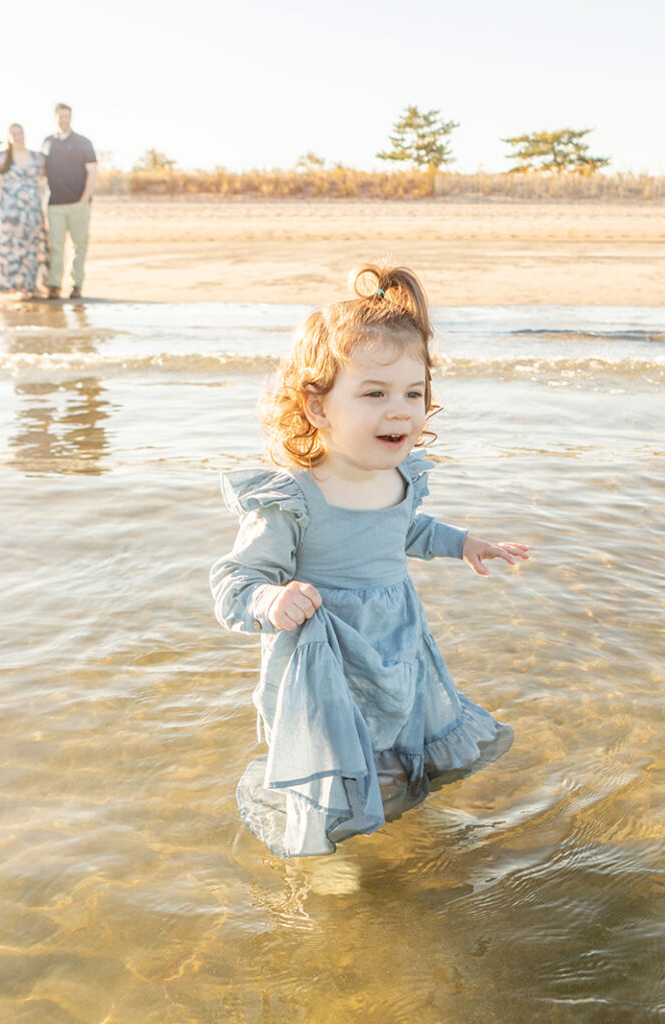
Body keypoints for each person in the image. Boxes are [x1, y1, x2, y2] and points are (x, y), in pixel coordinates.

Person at [210, 264, 530, 858]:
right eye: (375, 394)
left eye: (413, 393)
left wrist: (463, 544)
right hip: (326, 663)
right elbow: (235, 581)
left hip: (398, 645)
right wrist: (271, 599)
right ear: (318, 408)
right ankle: (329, 856)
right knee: (335, 768)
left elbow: (405, 531)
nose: (401, 411)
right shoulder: (291, 497)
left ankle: (416, 828)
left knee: (404, 740)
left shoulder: (400, 478)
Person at [41, 103, 98, 300]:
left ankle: (76, 284)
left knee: (79, 245)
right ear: (55, 117)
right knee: (56, 246)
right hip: (54, 204)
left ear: (71, 118)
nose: (63, 119)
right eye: (60, 116)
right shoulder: (47, 143)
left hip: (78, 204)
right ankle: (55, 284)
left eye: (67, 116)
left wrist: (84, 199)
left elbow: (92, 172)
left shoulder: (83, 142)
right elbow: (42, 172)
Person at [0, 124, 48, 300]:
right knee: (9, 247)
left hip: (32, 209)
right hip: (9, 209)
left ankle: (31, 286)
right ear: (9, 136)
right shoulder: (1, 157)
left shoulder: (37, 157)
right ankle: (12, 286)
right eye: (14, 133)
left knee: (32, 246)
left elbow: (49, 178)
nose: (18, 136)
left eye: (20, 133)